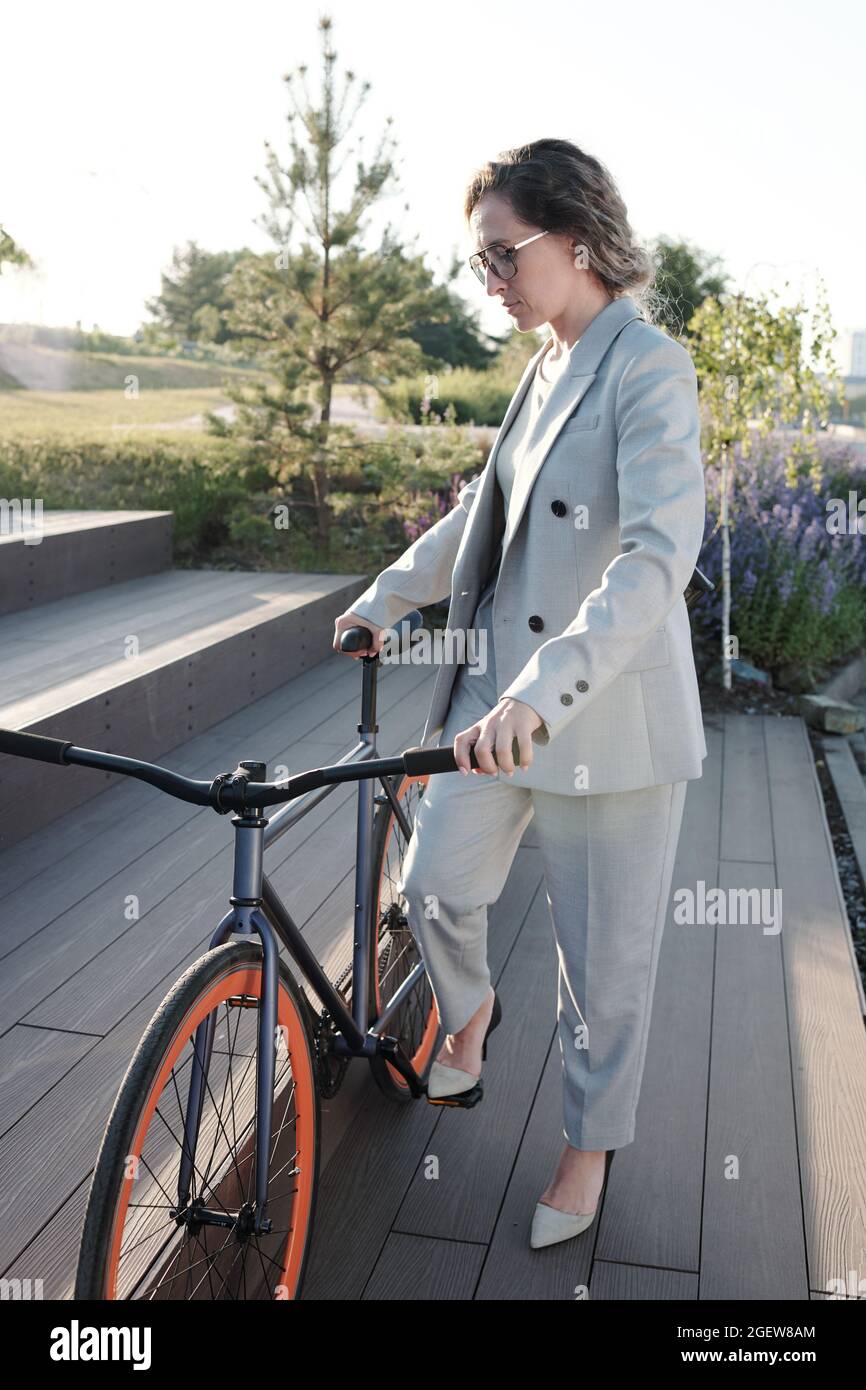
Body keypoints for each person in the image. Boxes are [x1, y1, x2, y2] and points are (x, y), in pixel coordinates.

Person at [332, 138, 707, 1249]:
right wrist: (386, 598)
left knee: (602, 967)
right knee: (434, 882)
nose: (488, 279)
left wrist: (543, 696)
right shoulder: (542, 368)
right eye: (480, 262)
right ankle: (472, 1012)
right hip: (493, 706)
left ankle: (584, 1154)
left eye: (502, 254)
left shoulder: (647, 365)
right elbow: (478, 521)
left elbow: (653, 557)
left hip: (602, 715)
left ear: (575, 239)